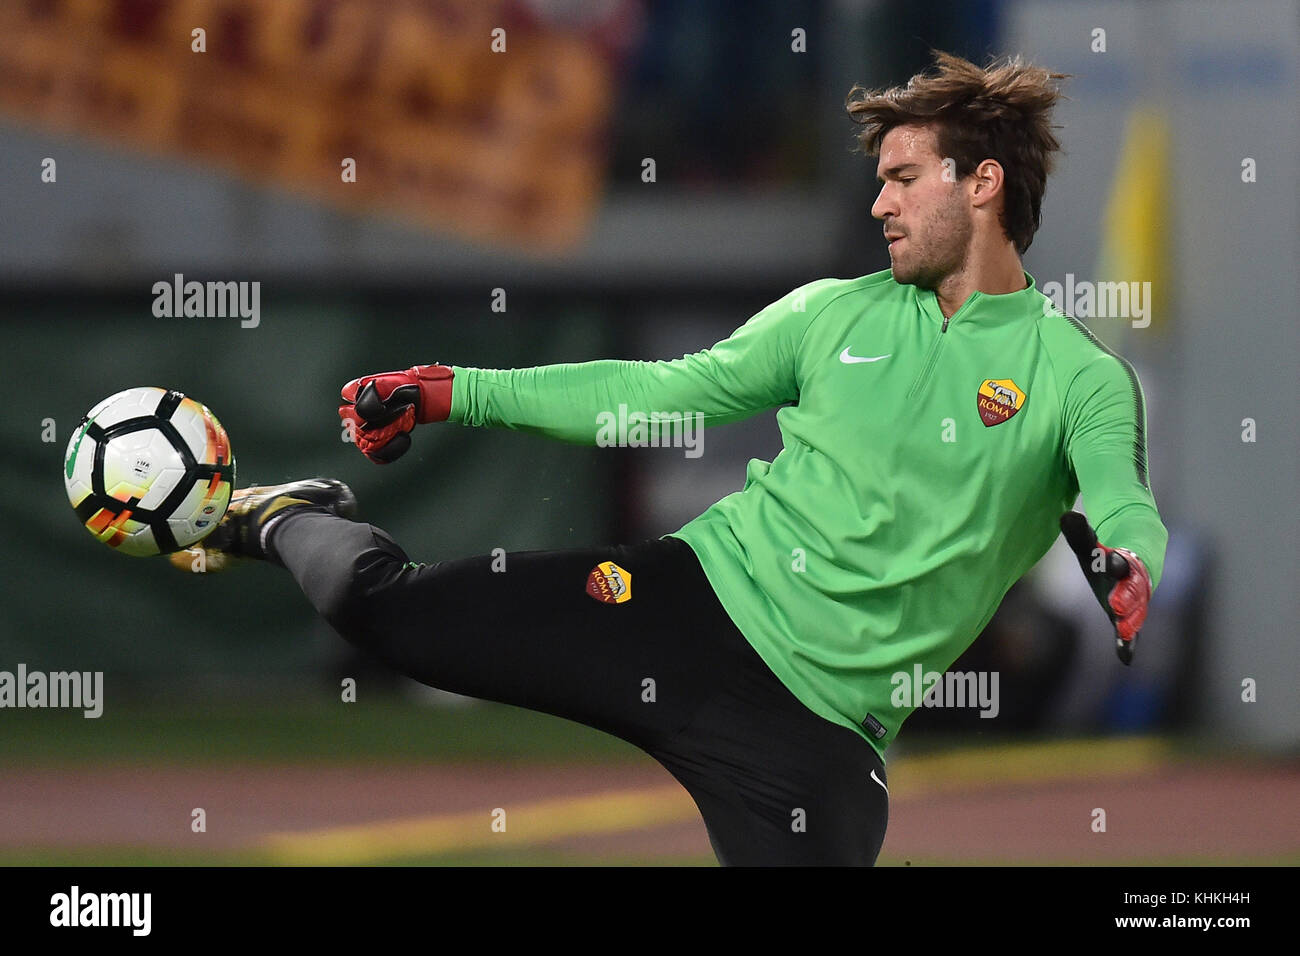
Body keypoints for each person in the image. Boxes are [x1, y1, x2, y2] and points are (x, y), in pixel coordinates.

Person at [178, 51, 1165, 866]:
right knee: (382, 611)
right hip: (683, 611)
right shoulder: (831, 314)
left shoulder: (1076, 375)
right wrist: (452, 389)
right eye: (876, 182)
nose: (879, 205)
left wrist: (1130, 566)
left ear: (981, 183)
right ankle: (278, 513)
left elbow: (1123, 503)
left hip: (814, 745)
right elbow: (655, 395)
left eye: (902, 178)